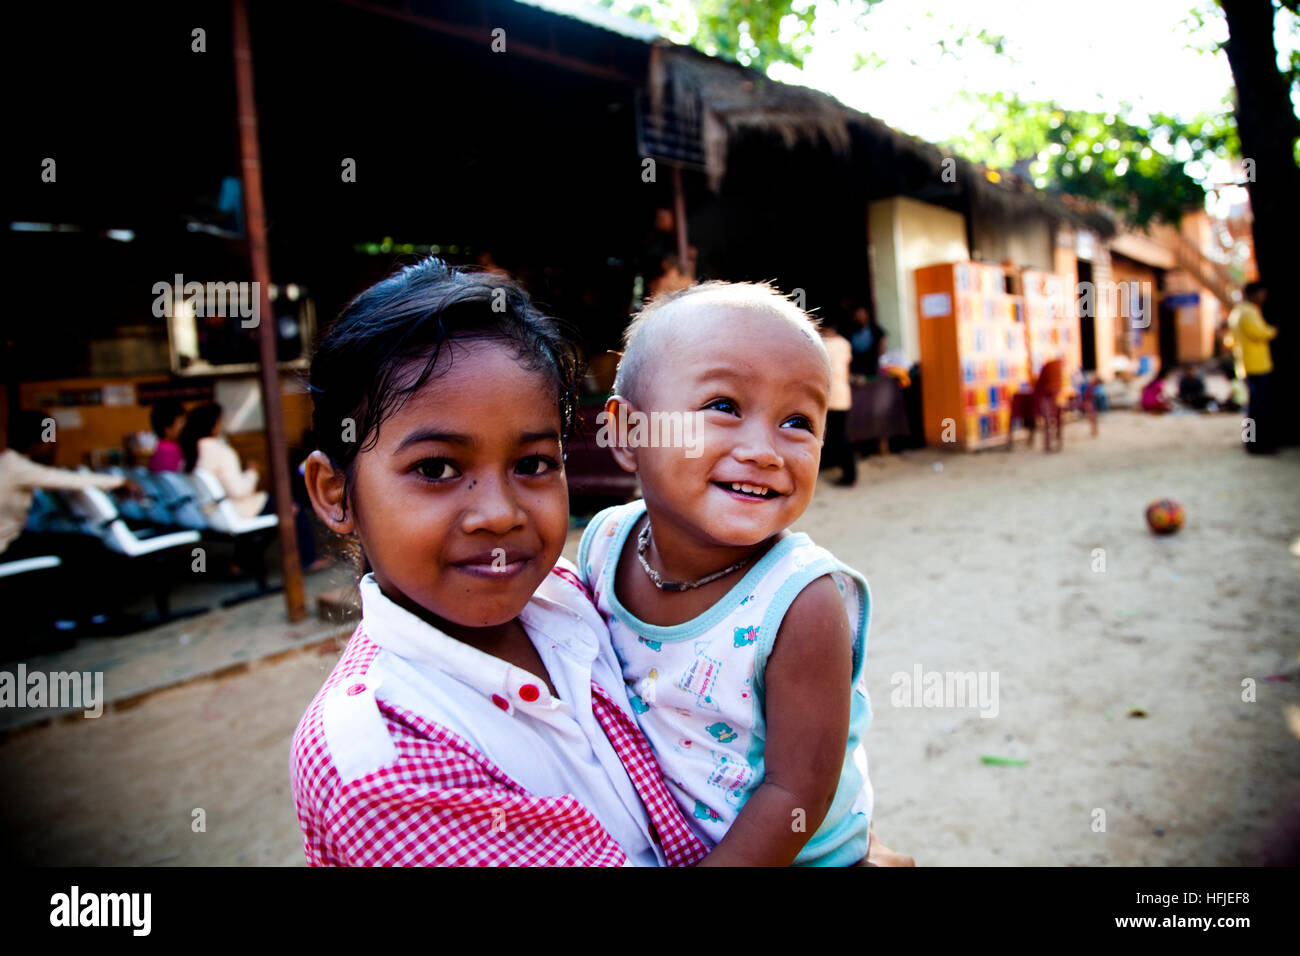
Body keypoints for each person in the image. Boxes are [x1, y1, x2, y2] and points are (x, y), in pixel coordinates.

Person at [291, 258, 711, 866]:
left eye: (534, 464)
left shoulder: (581, 599)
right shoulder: (379, 757)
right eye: (435, 469)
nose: (498, 513)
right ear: (336, 492)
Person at [581, 280, 885, 866]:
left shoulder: (800, 602)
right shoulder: (606, 542)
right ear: (628, 432)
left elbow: (796, 792)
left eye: (797, 421)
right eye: (723, 406)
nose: (764, 451)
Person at [1, 410, 125, 558]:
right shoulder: (17, 467)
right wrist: (121, 482)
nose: (54, 444)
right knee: (90, 545)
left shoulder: (9, 462)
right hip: (5, 546)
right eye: (50, 438)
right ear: (35, 441)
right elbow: (70, 480)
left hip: (12, 539)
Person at [180, 403, 267, 517]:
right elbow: (238, 491)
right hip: (231, 512)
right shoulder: (222, 451)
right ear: (214, 426)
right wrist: (252, 473)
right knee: (286, 503)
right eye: (221, 421)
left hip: (207, 514)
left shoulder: (189, 453)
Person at [1228, 282, 1279, 454]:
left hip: (1244, 365)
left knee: (1252, 408)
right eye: (1261, 293)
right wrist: (1273, 331)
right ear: (1254, 294)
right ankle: (1259, 444)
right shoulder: (1249, 312)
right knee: (1260, 408)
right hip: (1257, 365)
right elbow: (1259, 333)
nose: (1263, 297)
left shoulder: (1235, 313)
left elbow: (1229, 341)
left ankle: (1251, 442)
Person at [818, 319, 856, 486]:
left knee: (836, 436)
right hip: (843, 395)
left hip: (831, 397)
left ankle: (849, 474)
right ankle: (845, 471)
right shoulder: (844, 343)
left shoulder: (824, 345)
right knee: (837, 435)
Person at [147, 399, 186, 473]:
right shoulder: (170, 451)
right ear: (167, 427)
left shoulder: (160, 447)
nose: (184, 426)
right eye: (181, 422)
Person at [848, 306, 886, 377]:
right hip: (856, 369)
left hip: (871, 368)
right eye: (857, 315)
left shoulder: (875, 330)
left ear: (867, 316)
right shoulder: (850, 331)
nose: (859, 318)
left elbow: (882, 344)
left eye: (861, 315)